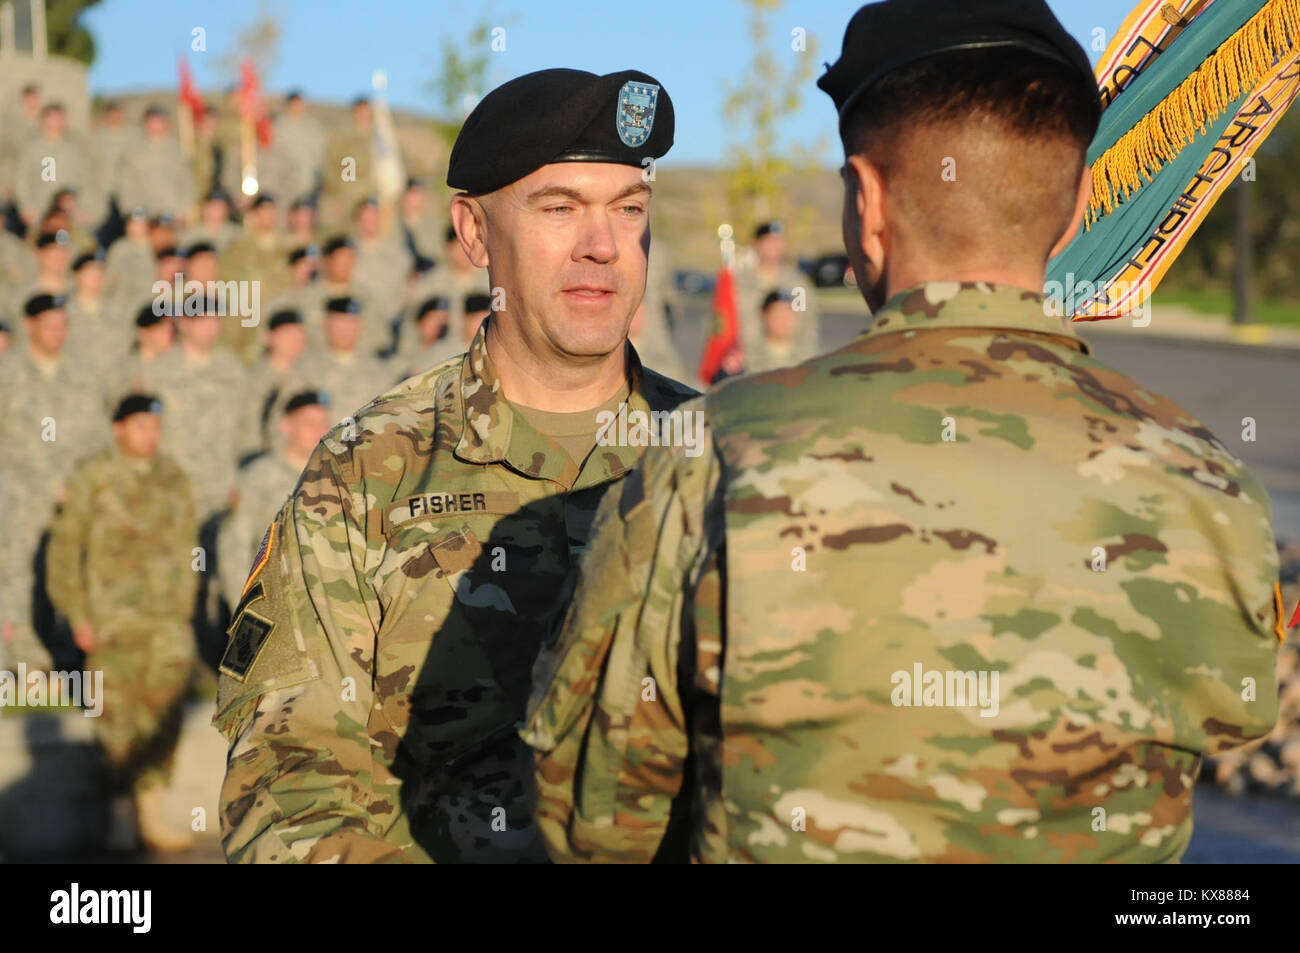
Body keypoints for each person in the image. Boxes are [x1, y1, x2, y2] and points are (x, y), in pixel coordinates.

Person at [523, 0, 1286, 864]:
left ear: (868, 202)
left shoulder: (706, 458)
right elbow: (1236, 709)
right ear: (1074, 215)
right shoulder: (1203, 480)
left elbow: (591, 811)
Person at [211, 67, 697, 863]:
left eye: (629, 210)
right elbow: (288, 782)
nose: (604, 246)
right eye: (560, 208)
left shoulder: (721, 456)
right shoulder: (367, 473)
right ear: (473, 233)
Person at [45, 393, 198, 853]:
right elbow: (65, 549)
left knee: (164, 716)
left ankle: (149, 814)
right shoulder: (93, 476)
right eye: (140, 427)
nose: (150, 435)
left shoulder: (174, 477)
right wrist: (76, 612)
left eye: (155, 427)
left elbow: (189, 545)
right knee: (114, 720)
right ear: (119, 429)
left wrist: (185, 606)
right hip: (111, 620)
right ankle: (115, 822)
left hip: (166, 620)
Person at [0, 294, 107, 672]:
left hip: (72, 500)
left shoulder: (83, 375)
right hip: (18, 498)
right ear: (30, 325)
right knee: (17, 576)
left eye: (63, 324)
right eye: (50, 324)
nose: (58, 333)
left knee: (68, 574)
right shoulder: (7, 375)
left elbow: (98, 439)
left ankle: (66, 655)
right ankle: (24, 659)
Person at [218, 389, 332, 612]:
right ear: (286, 426)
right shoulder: (257, 477)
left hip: (324, 610)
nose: (319, 431)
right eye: (309, 423)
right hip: (272, 605)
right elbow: (234, 547)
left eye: (323, 422)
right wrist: (243, 608)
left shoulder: (337, 477)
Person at [292, 295, 392, 425]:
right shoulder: (305, 369)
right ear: (326, 324)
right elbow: (287, 420)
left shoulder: (380, 372)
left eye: (351, 323)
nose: (345, 330)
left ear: (360, 325)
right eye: (339, 323)